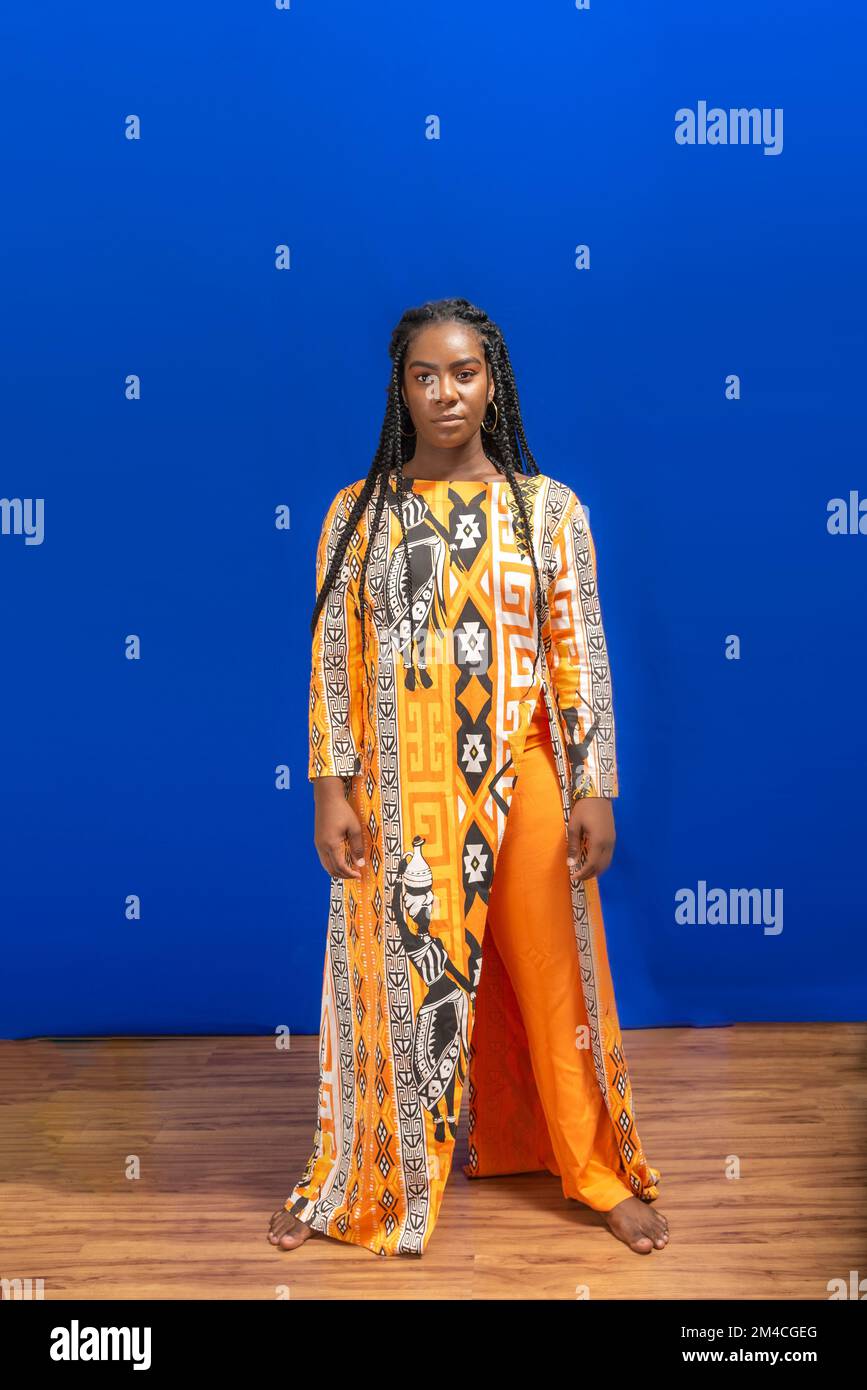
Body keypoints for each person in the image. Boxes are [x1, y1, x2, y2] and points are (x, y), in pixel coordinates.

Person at [268, 297, 668, 1258]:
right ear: (399, 389)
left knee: (553, 971)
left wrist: (591, 784)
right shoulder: (357, 513)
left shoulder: (547, 510)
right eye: (424, 376)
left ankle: (592, 1169)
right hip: (400, 791)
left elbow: (578, 654)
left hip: (523, 772)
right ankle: (355, 1176)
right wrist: (332, 786)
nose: (445, 393)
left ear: (494, 383)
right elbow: (335, 662)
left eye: (464, 373)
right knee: (389, 982)